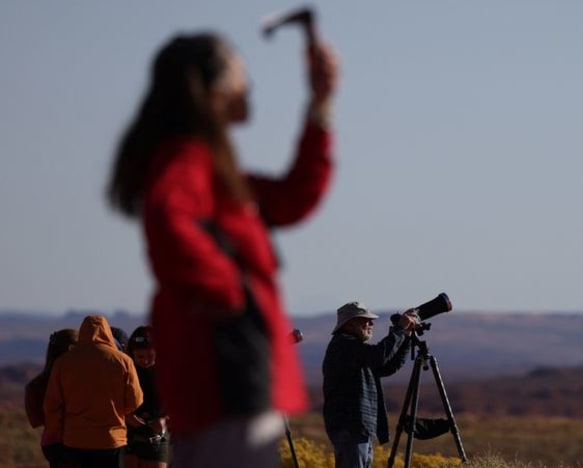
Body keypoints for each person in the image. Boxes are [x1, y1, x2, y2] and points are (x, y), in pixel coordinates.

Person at [106, 31, 338, 468]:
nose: (248, 87)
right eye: (240, 76)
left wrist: (319, 106)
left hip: (229, 372)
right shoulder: (185, 163)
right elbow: (167, 225)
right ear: (210, 91)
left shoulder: (212, 170)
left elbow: (292, 199)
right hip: (224, 373)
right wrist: (235, 298)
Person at [323, 302, 419, 468]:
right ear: (350, 323)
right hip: (349, 426)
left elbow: (388, 366)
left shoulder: (355, 349)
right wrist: (399, 331)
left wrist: (406, 337)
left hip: (358, 427)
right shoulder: (343, 345)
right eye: (365, 321)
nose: (371, 324)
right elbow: (378, 357)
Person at [44, 315, 144, 468]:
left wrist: (56, 433)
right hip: (111, 440)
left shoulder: (63, 363)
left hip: (75, 440)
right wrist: (116, 411)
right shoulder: (123, 361)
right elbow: (135, 400)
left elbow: (52, 404)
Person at [24, 328, 78, 468]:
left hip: (51, 442)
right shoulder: (76, 382)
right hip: (73, 443)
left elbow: (35, 420)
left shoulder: (37, 385)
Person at [125, 326, 169, 468]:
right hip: (129, 435)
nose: (145, 361)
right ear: (132, 354)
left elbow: (177, 401)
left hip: (157, 435)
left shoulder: (166, 371)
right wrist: (127, 416)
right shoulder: (126, 371)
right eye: (140, 357)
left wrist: (163, 419)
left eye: (150, 357)